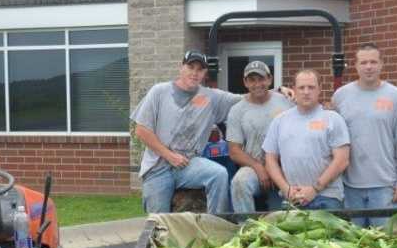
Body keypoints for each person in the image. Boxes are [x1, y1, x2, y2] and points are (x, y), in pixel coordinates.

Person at [131, 51, 243, 214]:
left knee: (219, 174)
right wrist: (170, 155)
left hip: (189, 164)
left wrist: (279, 91)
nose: (195, 73)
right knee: (159, 225)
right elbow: (141, 131)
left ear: (204, 73)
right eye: (191, 67)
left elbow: (246, 98)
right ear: (181, 68)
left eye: (200, 69)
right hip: (158, 167)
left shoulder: (211, 97)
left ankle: (214, 225)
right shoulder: (159, 92)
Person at [332, 42, 397, 227]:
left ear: (381, 64)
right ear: (355, 65)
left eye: (373, 62)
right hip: (350, 187)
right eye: (363, 62)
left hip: (386, 187)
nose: (368, 67)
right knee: (355, 247)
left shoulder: (395, 96)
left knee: (387, 244)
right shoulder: (341, 96)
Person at [262, 69, 350, 210]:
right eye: (301, 87)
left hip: (327, 198)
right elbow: (270, 159)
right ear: (294, 90)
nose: (306, 92)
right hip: (292, 198)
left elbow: (342, 160)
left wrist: (314, 189)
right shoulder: (280, 121)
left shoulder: (333, 119)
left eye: (311, 87)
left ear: (319, 89)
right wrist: (286, 189)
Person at [227, 61, 293, 213]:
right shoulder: (237, 110)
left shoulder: (286, 101)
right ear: (245, 82)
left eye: (261, 79)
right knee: (239, 183)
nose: (257, 84)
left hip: (285, 166)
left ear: (269, 79)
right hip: (254, 166)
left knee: (282, 214)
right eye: (252, 80)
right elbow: (234, 151)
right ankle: (247, 230)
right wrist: (258, 167)